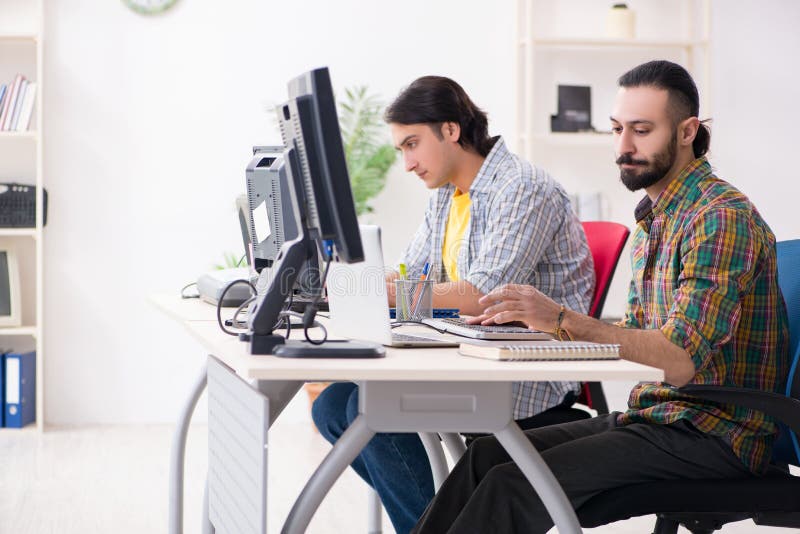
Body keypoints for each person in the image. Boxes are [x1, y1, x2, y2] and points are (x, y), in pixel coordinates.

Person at [412, 59, 790, 534]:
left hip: (711, 433)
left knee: (514, 482)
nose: (623, 147)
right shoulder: (657, 218)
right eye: (616, 130)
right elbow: (633, 339)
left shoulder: (719, 218)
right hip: (657, 416)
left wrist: (562, 320)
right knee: (487, 455)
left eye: (642, 130)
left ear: (687, 130)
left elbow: (679, 360)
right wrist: (534, 332)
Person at [312, 75, 595, 533]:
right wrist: (348, 282)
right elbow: (411, 275)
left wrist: (378, 292)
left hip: (526, 370)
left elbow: (480, 296)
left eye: (412, 144)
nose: (407, 164)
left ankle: (439, 528)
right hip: (466, 352)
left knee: (372, 411)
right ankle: (446, 526)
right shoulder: (448, 195)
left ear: (450, 129)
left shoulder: (521, 188)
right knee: (331, 408)